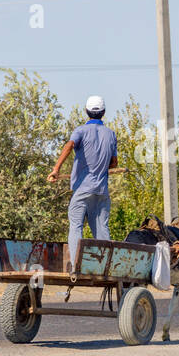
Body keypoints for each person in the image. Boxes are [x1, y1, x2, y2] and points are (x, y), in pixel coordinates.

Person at [48, 95, 118, 273]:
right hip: (101, 191)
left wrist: (56, 169)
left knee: (76, 226)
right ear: (103, 113)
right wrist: (100, 166)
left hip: (82, 190)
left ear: (86, 112)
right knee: (102, 229)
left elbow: (69, 145)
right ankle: (104, 268)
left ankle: (75, 266)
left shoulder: (80, 131)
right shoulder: (110, 134)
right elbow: (114, 163)